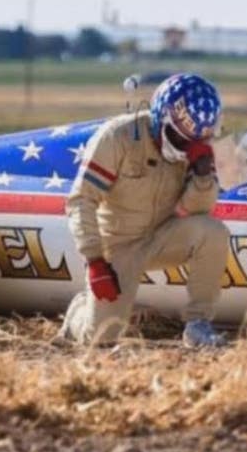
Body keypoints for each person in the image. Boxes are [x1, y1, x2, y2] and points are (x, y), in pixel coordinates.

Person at [61, 73, 229, 347]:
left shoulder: (195, 148)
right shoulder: (117, 137)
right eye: (181, 138)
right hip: (118, 244)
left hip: (162, 234)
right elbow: (81, 200)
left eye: (194, 142)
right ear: (160, 118)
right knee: (101, 338)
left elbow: (198, 210)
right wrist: (94, 260)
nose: (187, 148)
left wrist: (202, 177)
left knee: (213, 233)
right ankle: (78, 314)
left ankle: (198, 324)